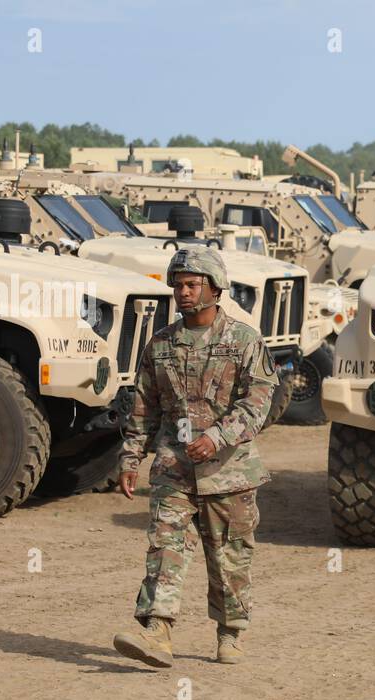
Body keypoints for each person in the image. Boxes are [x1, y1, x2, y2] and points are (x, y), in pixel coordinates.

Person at [112, 246, 278, 667]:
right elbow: (144, 405)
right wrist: (131, 457)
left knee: (228, 557)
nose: (183, 293)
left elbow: (258, 403)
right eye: (178, 286)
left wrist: (219, 436)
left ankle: (231, 631)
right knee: (165, 547)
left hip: (229, 472)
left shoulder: (243, 341)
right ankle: (157, 630)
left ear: (215, 288)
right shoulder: (161, 345)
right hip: (174, 468)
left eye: (191, 284)